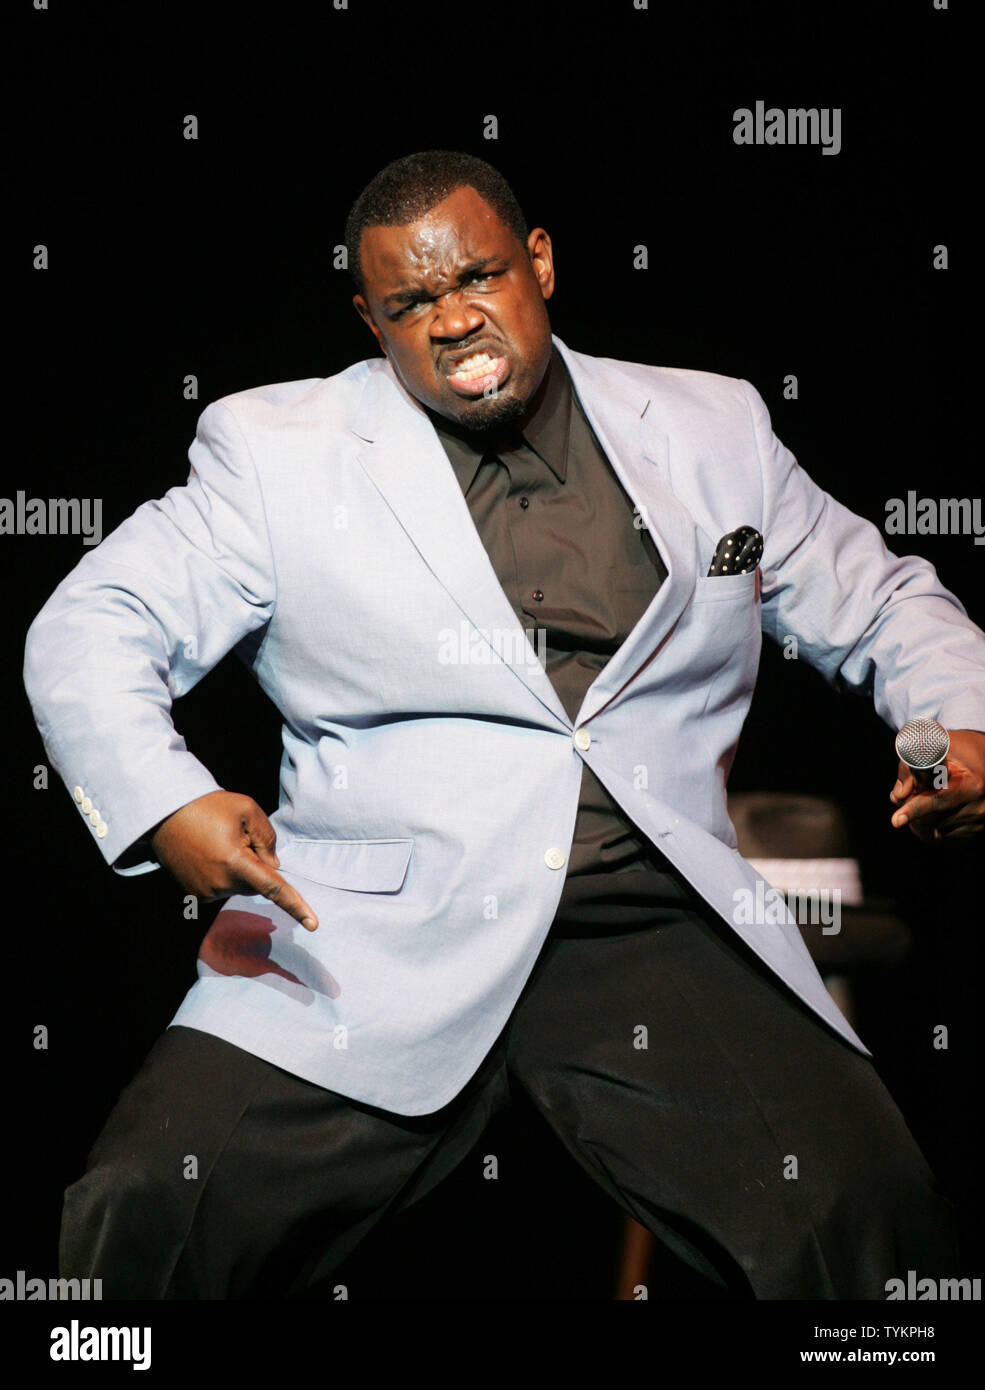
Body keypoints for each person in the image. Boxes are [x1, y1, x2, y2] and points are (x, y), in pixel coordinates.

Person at [23, 149, 985, 1300]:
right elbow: (91, 623)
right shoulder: (275, 454)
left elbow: (879, 596)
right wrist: (166, 800)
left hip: (651, 918)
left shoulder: (711, 424)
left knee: (870, 1227)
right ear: (370, 321)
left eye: (475, 276)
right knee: (142, 1217)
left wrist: (964, 720)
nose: (452, 318)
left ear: (539, 261)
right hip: (364, 932)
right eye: (410, 303)